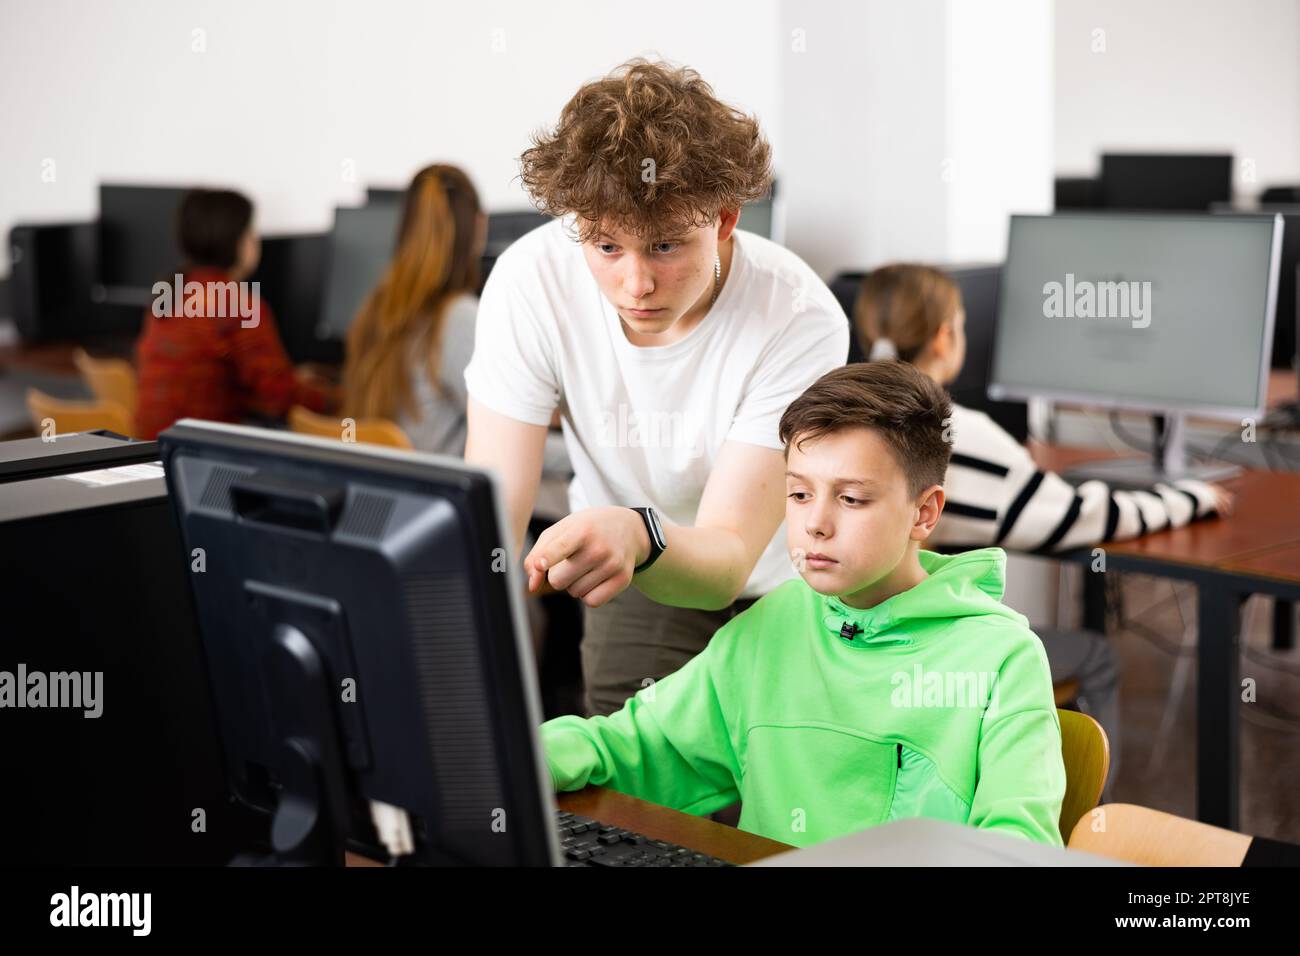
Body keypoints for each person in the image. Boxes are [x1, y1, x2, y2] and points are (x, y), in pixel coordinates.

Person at [541, 361, 1066, 848]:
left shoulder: (1002, 658)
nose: (816, 522)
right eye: (799, 494)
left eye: (851, 498)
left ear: (924, 513)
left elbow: (1015, 848)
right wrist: (511, 757)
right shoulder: (772, 625)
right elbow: (637, 748)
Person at [463, 59, 849, 717]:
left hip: (780, 579)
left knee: (771, 803)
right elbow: (492, 511)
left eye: (665, 247)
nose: (635, 284)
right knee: (629, 791)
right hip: (637, 571)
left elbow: (727, 557)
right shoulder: (531, 282)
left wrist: (639, 533)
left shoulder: (798, 317)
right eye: (607, 247)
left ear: (725, 220)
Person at [853, 263, 1236, 797]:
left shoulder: (838, 413)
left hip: (854, 649)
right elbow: (1081, 518)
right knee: (1096, 655)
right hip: (926, 656)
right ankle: (1089, 823)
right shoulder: (957, 433)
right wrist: (1187, 498)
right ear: (945, 335)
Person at [134, 188, 330, 439]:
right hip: (203, 454)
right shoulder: (236, 305)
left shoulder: (170, 293)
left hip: (153, 448)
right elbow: (279, 396)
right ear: (238, 241)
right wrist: (337, 398)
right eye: (251, 231)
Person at [342, 164, 486, 457]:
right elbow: (507, 438)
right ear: (478, 224)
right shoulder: (459, 318)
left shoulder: (374, 306)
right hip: (440, 494)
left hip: (384, 491)